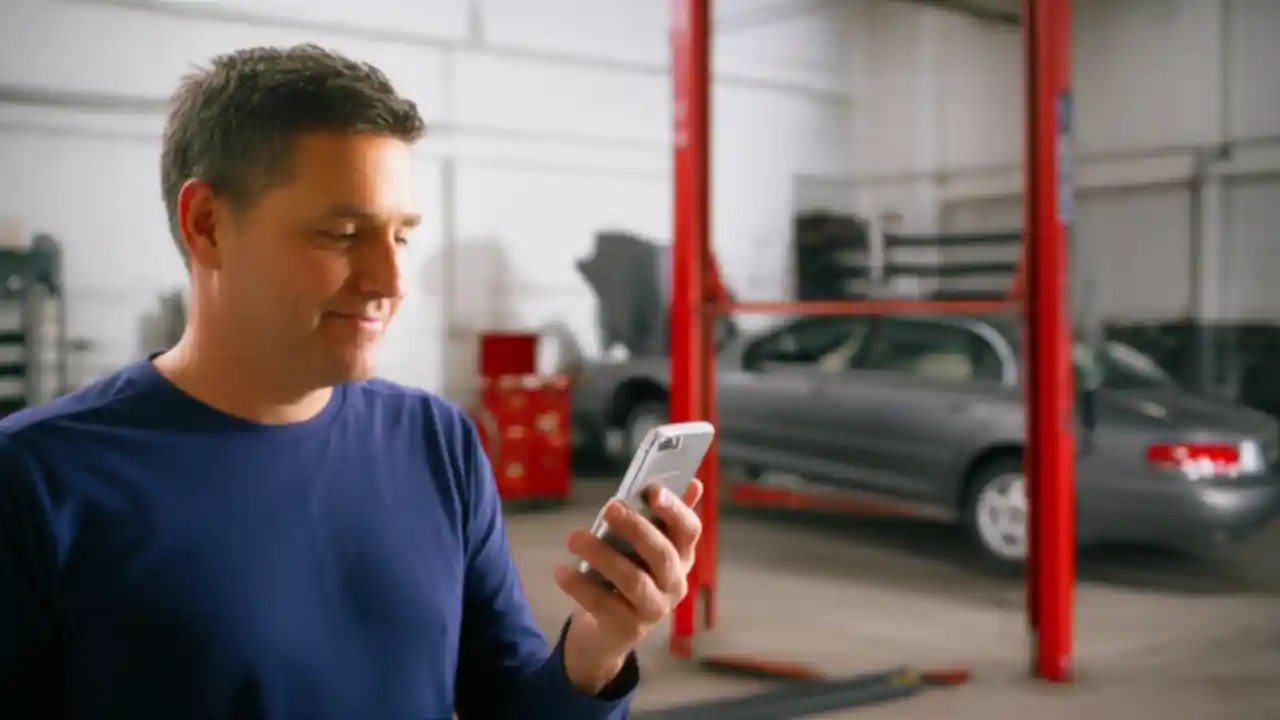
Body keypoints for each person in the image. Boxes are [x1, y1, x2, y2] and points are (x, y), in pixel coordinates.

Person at [0, 44, 703, 719]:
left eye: (400, 235)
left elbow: (510, 703)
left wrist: (598, 645)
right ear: (208, 224)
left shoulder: (437, 443)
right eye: (341, 234)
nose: (391, 282)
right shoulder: (38, 479)